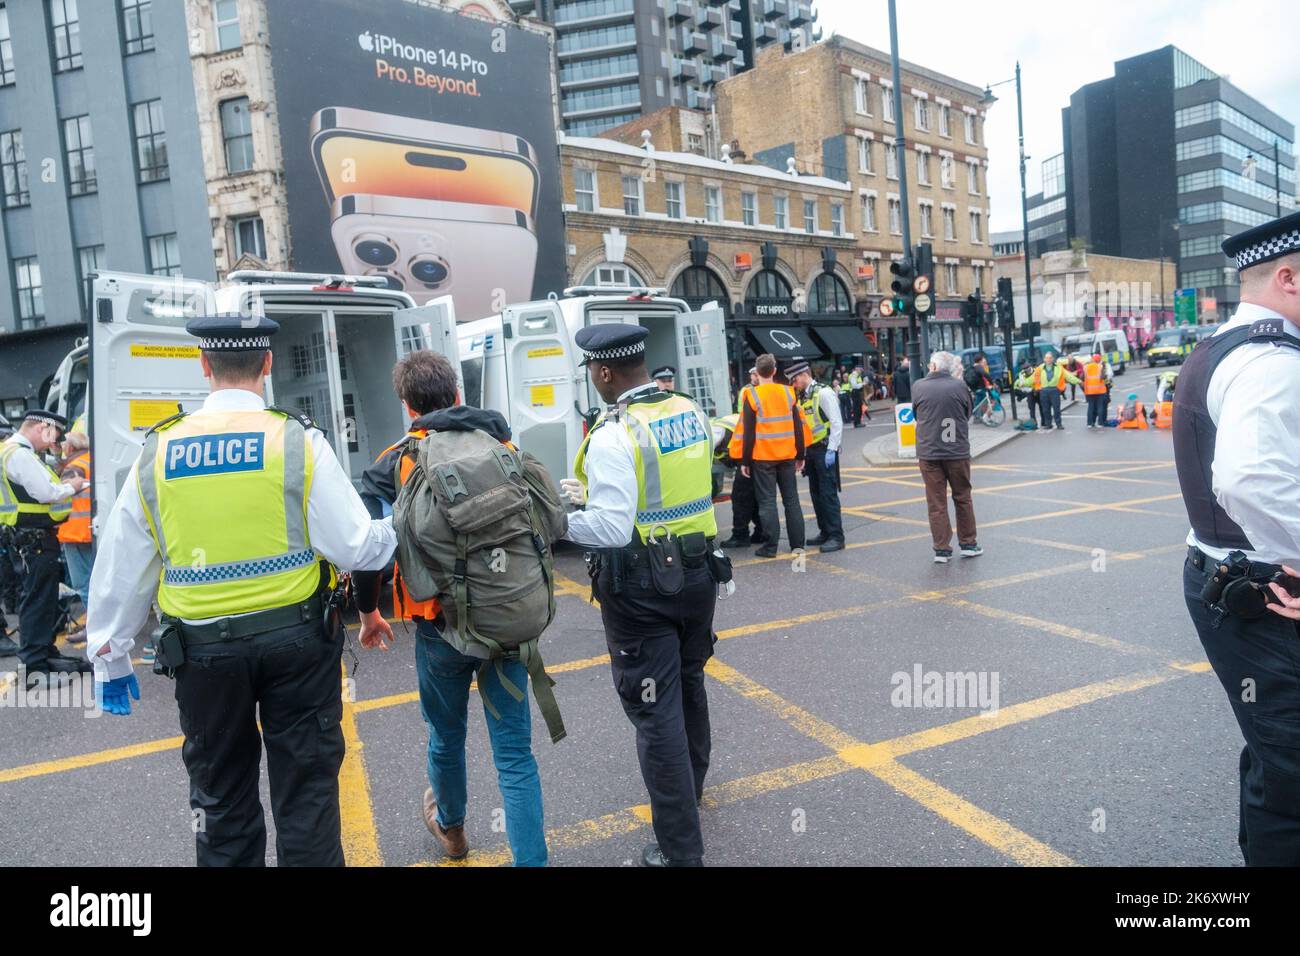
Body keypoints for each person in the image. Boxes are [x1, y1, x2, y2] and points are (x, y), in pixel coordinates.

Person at [85, 314, 398, 867]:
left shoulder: (158, 451)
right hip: (298, 646)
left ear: (204, 367)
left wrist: (108, 652)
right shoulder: (297, 440)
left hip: (202, 656)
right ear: (268, 365)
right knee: (308, 799)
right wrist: (395, 526)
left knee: (221, 804)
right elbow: (354, 548)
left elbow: (121, 565)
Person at [350, 350, 547, 866]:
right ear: (457, 395)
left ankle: (453, 830)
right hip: (506, 617)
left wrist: (370, 612)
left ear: (407, 406)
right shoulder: (500, 443)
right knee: (515, 755)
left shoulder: (396, 459)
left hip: (439, 625)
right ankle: (533, 860)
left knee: (445, 734)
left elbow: (368, 549)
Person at [558, 323, 722, 868]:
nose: (592, 378)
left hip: (642, 585)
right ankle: (691, 794)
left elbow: (609, 528)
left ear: (604, 372)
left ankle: (679, 850)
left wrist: (558, 519)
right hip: (699, 573)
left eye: (591, 371)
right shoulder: (688, 410)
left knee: (655, 713)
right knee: (691, 681)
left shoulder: (613, 433)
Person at [1173, 210, 1300, 866]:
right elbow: (1250, 479)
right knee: (1293, 777)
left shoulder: (1222, 345)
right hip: (1264, 590)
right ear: (1289, 278)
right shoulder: (1271, 360)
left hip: (1232, 582)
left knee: (1277, 752)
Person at [0, 409, 85, 676]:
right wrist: (74, 485)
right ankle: (35, 665)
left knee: (41, 600)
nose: (53, 443)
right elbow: (46, 492)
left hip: (27, 539)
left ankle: (44, 654)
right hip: (33, 539)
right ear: (40, 428)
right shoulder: (20, 455)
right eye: (53, 435)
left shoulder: (11, 451)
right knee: (37, 601)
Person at [730, 353, 807, 558]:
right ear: (774, 371)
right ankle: (798, 544)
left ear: (757, 372)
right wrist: (801, 454)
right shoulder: (788, 393)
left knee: (767, 502)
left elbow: (748, 432)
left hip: (763, 458)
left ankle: (771, 546)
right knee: (792, 501)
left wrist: (745, 462)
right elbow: (798, 426)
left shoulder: (752, 395)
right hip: (787, 456)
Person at [911, 352, 982, 564]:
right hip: (956, 451)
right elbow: (967, 413)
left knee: (936, 502)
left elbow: (916, 414)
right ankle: (968, 544)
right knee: (962, 497)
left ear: (932, 366)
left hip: (929, 452)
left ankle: (941, 549)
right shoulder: (959, 387)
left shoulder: (918, 386)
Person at [786, 361, 844, 553]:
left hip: (825, 449)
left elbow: (836, 422)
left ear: (804, 374)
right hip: (811, 452)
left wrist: (832, 450)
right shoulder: (803, 395)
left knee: (828, 495)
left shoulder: (824, 393)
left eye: (795, 379)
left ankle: (836, 536)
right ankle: (825, 532)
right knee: (816, 495)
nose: (794, 384)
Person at [57, 426, 93, 644]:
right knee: (96, 583)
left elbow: (60, 495)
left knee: (84, 585)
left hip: (75, 534)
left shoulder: (74, 467)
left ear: (70, 446)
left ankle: (93, 628)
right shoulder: (91, 461)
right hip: (91, 531)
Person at [722, 367, 764, 549]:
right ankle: (761, 531)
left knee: (740, 496)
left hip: (751, 453)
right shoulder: (758, 391)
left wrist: (743, 459)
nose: (752, 377)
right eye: (751, 374)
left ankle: (741, 534)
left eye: (755, 374)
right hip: (764, 454)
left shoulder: (751, 393)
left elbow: (745, 426)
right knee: (757, 496)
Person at [1033, 352, 1081, 431]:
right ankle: (1048, 424)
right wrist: (1021, 383)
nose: (1048, 359)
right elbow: (1032, 378)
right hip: (1043, 391)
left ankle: (1059, 424)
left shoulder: (1059, 367)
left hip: (1054, 390)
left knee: (1056, 409)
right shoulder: (1039, 368)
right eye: (1047, 358)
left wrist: (1078, 381)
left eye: (1050, 358)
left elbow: (1068, 376)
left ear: (1052, 359)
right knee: (1045, 409)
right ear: (1044, 359)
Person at [1082, 351, 1114, 429]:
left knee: (1091, 407)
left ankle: (1090, 423)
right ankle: (1100, 422)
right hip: (1100, 390)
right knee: (1101, 406)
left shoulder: (1086, 367)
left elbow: (1082, 377)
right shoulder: (1101, 367)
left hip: (1089, 390)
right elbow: (1107, 376)